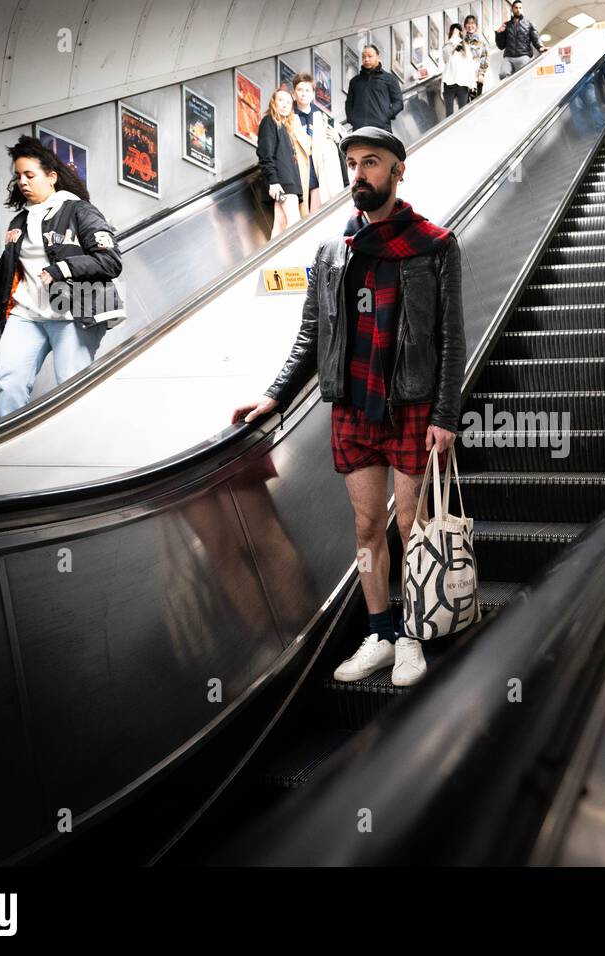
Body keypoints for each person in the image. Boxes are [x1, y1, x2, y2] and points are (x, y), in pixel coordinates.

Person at [231, 127, 465, 689]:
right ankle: (381, 633)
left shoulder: (435, 243)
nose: (358, 174)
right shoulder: (332, 250)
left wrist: (446, 417)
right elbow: (311, 334)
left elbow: (452, 337)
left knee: (412, 527)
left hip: (411, 405)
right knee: (366, 530)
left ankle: (412, 633)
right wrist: (276, 393)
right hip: (354, 409)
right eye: (353, 163)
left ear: (398, 171)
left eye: (372, 163)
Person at [0, 134, 123, 417]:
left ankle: (76, 448)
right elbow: (6, 270)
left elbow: (109, 261)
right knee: (8, 381)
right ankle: (11, 447)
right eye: (18, 176)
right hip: (26, 315)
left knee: (71, 388)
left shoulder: (80, 211)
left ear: (51, 177)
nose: (23, 182)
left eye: (30, 175)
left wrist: (61, 269)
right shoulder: (21, 221)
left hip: (72, 313)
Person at [291, 72, 343, 216]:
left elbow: (341, 137)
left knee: (317, 211)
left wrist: (336, 137)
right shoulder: (288, 116)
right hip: (298, 170)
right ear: (294, 92)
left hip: (318, 168)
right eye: (300, 90)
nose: (303, 94)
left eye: (307, 90)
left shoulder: (322, 116)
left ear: (313, 93)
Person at [257, 88, 306, 236]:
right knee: (294, 222)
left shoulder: (286, 127)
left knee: (280, 223)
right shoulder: (269, 121)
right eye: (280, 100)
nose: (285, 105)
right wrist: (273, 181)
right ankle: (295, 259)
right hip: (282, 181)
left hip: (287, 181)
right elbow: (265, 154)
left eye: (288, 102)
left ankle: (275, 260)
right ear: (273, 102)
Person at [344, 45, 404, 132]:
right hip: (359, 129)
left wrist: (385, 115)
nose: (366, 59)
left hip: (382, 129)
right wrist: (352, 119)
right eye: (364, 57)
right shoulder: (355, 81)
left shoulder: (390, 79)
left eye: (370, 56)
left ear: (378, 57)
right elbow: (349, 103)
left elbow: (399, 103)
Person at [496, 1, 546, 79]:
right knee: (503, 74)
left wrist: (540, 46)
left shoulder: (529, 23)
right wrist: (499, 34)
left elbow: (535, 38)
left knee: (523, 77)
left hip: (523, 55)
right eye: (516, 8)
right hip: (508, 57)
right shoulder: (506, 25)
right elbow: (501, 46)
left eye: (520, 8)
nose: (518, 10)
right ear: (512, 9)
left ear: (522, 9)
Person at [441, 22, 478, 116]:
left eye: (457, 33)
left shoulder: (466, 47)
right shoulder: (447, 46)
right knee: (449, 113)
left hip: (462, 84)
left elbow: (470, 66)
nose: (456, 35)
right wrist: (453, 41)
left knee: (463, 113)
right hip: (449, 84)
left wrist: (472, 84)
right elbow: (446, 58)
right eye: (454, 33)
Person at [463, 14, 491, 100]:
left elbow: (485, 58)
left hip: (477, 78)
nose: (470, 26)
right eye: (468, 23)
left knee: (477, 102)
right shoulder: (462, 43)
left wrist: (481, 73)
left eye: (472, 23)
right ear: (465, 26)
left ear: (476, 26)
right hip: (464, 78)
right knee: (464, 104)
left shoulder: (481, 43)